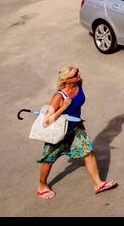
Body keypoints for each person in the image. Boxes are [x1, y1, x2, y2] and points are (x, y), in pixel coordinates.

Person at [35, 64, 117, 199]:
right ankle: (42, 186)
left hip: (76, 128)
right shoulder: (58, 97)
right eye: (75, 75)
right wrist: (63, 108)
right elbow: (46, 122)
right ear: (67, 80)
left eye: (78, 71)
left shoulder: (79, 83)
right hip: (59, 133)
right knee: (49, 159)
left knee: (88, 153)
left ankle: (98, 184)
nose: (79, 75)